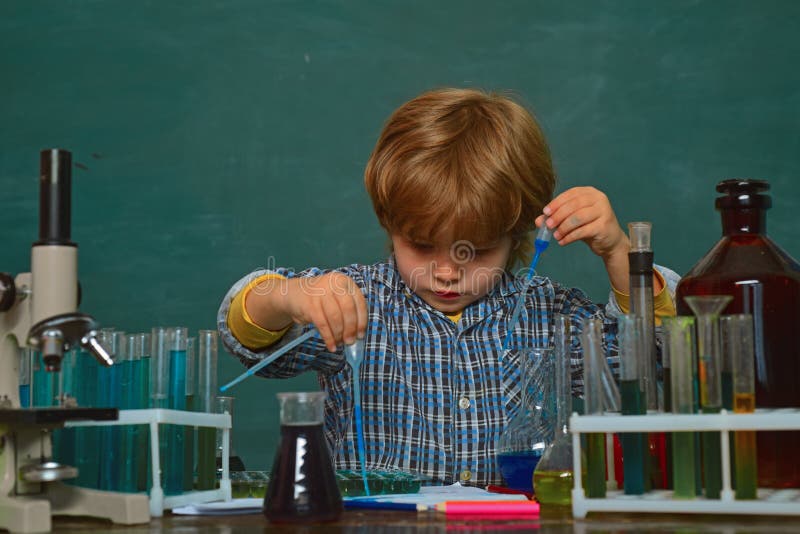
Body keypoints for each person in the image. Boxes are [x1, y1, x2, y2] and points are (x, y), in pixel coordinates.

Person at [217, 87, 678, 487]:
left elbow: (657, 362)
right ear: (390, 224)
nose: (446, 272)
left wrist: (620, 252)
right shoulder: (352, 300)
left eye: (474, 250)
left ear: (518, 233)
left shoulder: (548, 313)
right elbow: (246, 339)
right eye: (420, 246)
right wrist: (288, 296)